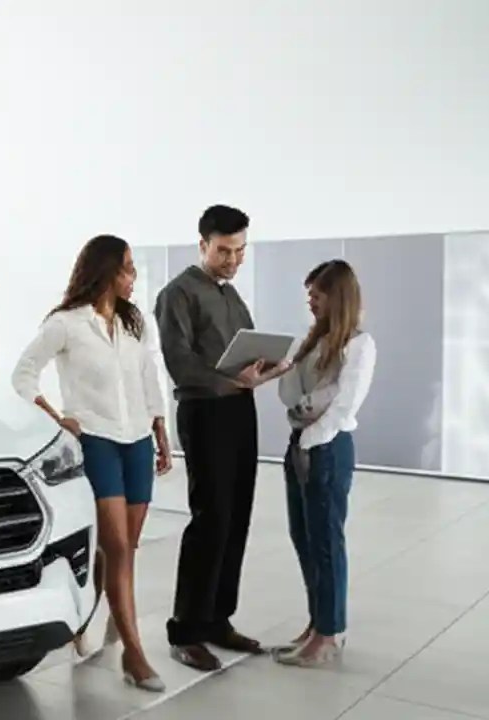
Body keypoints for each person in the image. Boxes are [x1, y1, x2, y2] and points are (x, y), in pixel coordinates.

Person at [12, 234, 173, 692]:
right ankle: (134, 655)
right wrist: (57, 418)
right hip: (97, 439)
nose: (133, 276)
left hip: (137, 438)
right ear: (104, 270)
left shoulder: (133, 323)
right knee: (117, 547)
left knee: (124, 547)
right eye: (126, 267)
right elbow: (23, 373)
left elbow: (148, 373)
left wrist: (161, 429)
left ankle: (95, 620)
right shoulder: (65, 323)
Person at [154, 205, 288, 671]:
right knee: (210, 517)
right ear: (202, 245)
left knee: (237, 517)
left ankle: (217, 620)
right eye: (224, 250)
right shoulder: (177, 294)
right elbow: (180, 362)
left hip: (238, 409)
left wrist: (269, 369)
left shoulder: (232, 297)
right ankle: (186, 630)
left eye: (241, 251)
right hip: (204, 412)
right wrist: (234, 381)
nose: (233, 260)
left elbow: (244, 353)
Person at [274, 259, 376, 668]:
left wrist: (311, 443)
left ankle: (329, 633)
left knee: (326, 542)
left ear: (338, 296)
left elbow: (345, 406)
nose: (311, 301)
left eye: (317, 294)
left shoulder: (360, 345)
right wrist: (285, 365)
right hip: (300, 442)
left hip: (327, 448)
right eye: (309, 295)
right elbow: (290, 396)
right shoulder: (313, 340)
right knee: (303, 537)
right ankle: (317, 623)